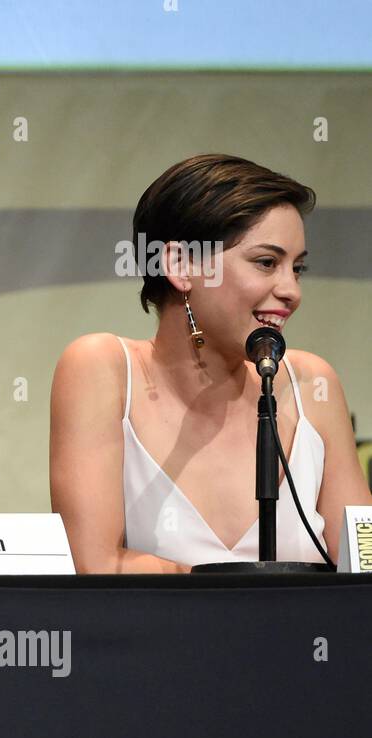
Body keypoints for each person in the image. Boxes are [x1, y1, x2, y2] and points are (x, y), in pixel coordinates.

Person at [50, 154, 372, 572]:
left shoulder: (311, 382)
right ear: (181, 265)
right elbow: (93, 565)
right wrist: (241, 593)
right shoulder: (102, 368)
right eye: (267, 263)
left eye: (298, 268)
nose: (292, 290)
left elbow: (364, 563)